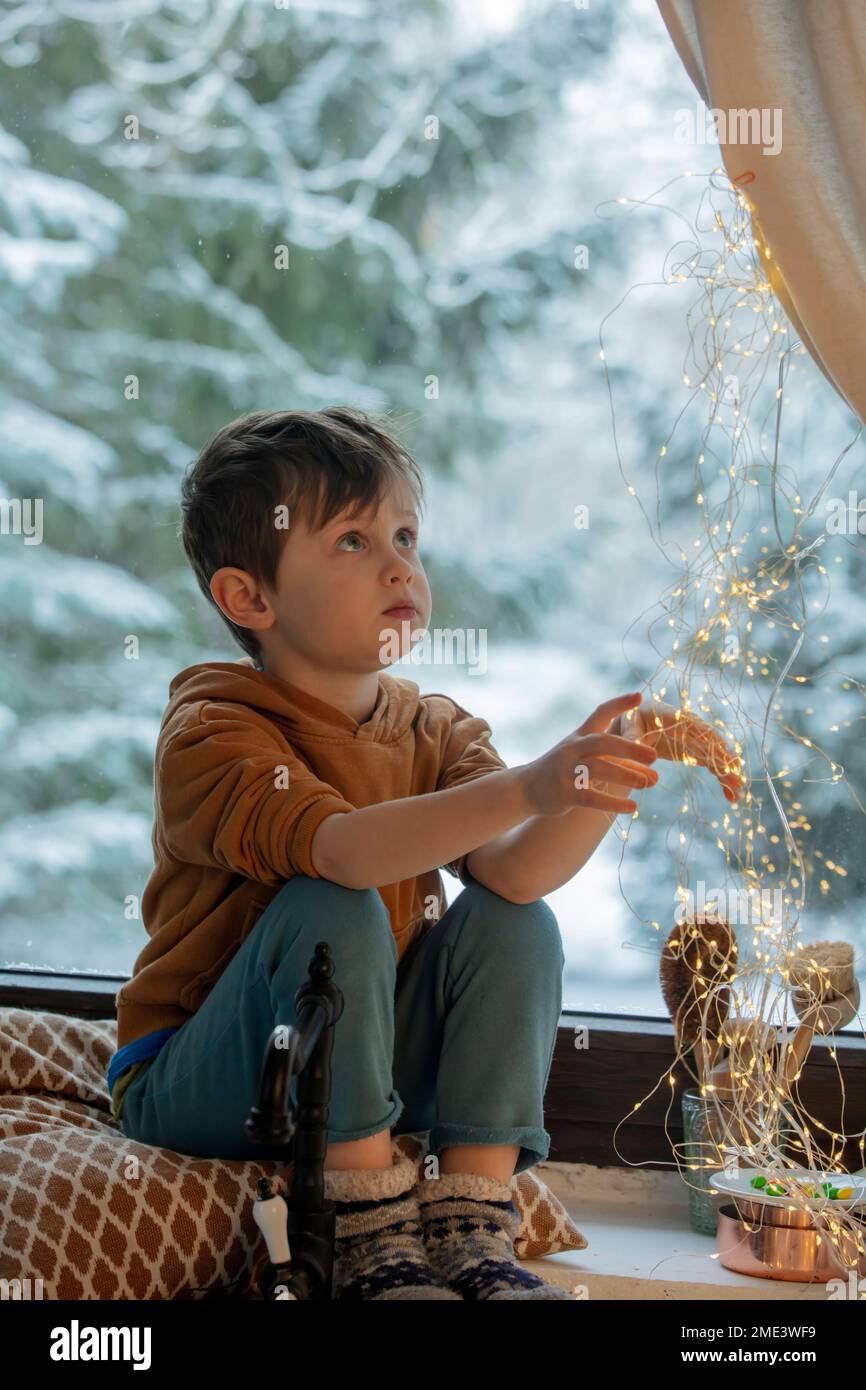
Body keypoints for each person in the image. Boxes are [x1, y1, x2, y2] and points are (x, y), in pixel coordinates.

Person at [107, 405, 739, 1301]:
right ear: (249, 597)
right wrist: (528, 782)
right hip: (207, 1076)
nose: (402, 562)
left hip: (356, 1061)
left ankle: (472, 1216)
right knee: (333, 902)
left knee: (515, 920)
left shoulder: (432, 725)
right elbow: (342, 850)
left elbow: (515, 869)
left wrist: (606, 773)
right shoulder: (214, 727)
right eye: (355, 542)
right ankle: (366, 1225)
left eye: (406, 534)